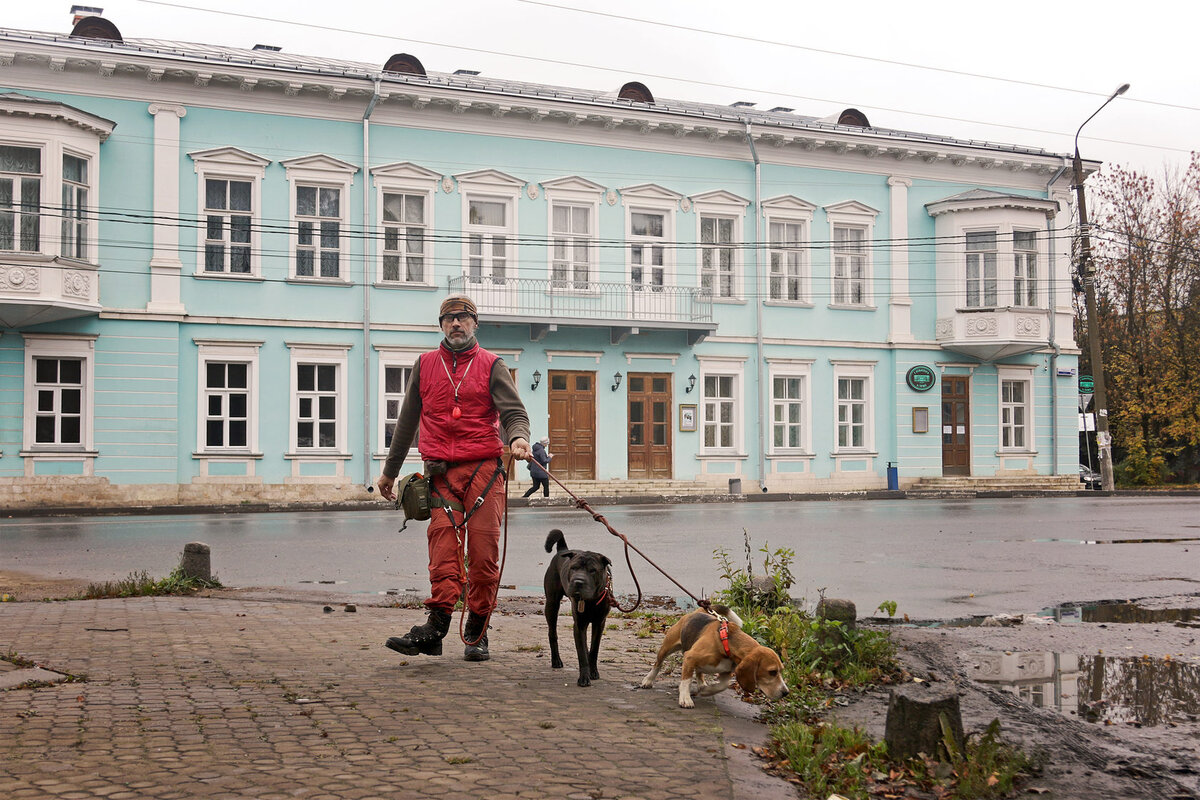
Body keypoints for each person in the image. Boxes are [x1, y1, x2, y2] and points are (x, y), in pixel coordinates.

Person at [376, 294, 531, 662]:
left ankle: (477, 630)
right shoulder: (426, 364)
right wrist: (389, 471)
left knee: (482, 555)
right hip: (441, 475)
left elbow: (513, 412)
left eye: (463, 318)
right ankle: (436, 628)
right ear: (441, 325)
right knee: (442, 550)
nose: (456, 324)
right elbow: (407, 421)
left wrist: (519, 437)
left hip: (484, 472)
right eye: (449, 319)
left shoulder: (493, 365)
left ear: (475, 323)